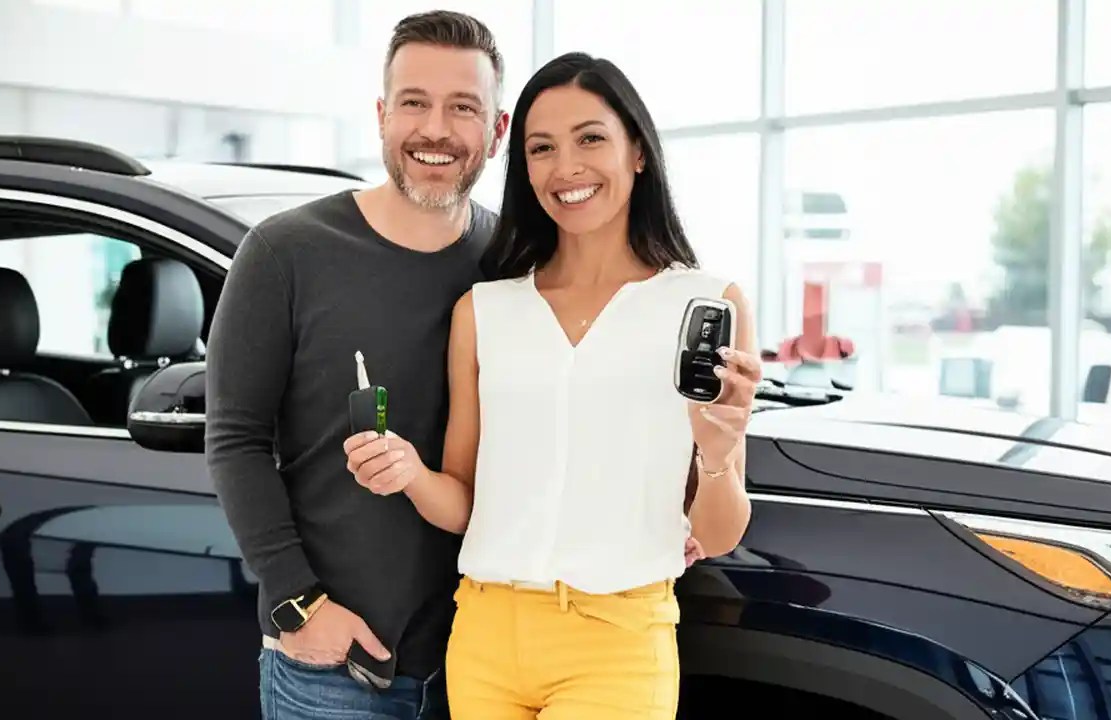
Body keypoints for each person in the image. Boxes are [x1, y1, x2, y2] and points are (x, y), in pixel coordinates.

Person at [343, 51, 759, 719]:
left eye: (590, 138)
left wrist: (717, 451)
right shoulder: (484, 311)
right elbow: (464, 504)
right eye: (541, 148)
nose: (566, 167)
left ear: (639, 152)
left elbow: (716, 532)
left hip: (617, 642)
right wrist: (409, 473)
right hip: (484, 634)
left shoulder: (706, 304)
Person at [204, 10, 510, 720]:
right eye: (414, 102)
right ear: (381, 115)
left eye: (463, 107)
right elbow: (235, 440)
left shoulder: (511, 263)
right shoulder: (285, 253)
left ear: (495, 130)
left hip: (483, 667)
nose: (435, 129)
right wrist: (299, 605)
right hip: (334, 671)